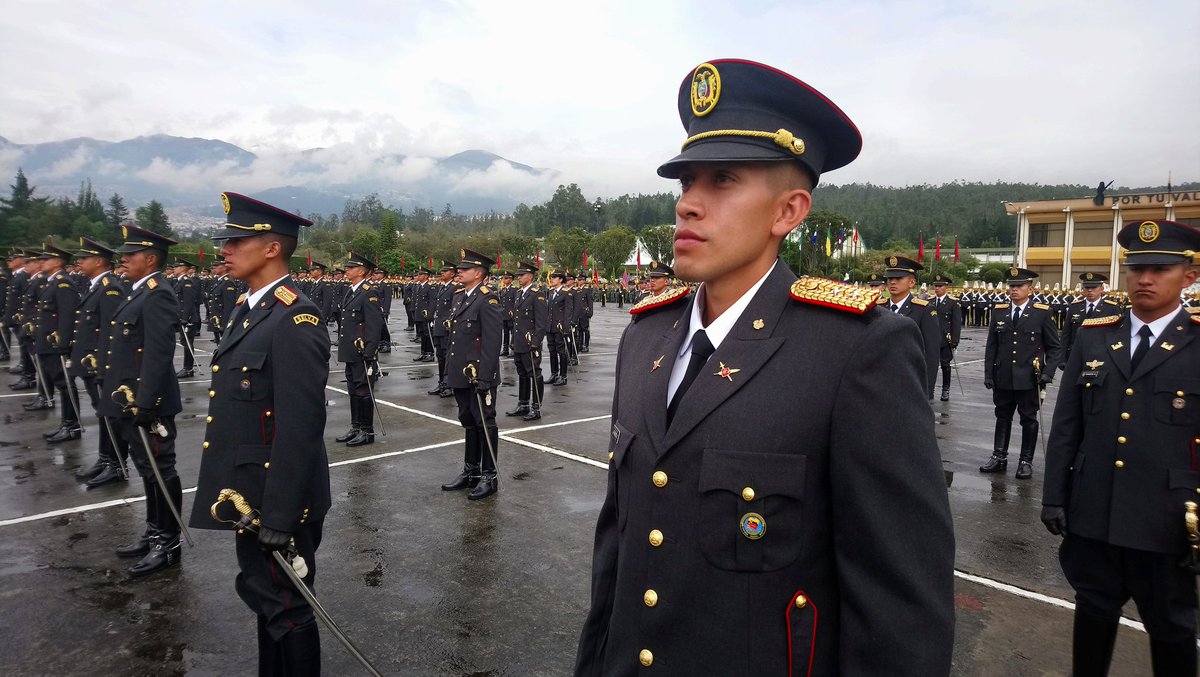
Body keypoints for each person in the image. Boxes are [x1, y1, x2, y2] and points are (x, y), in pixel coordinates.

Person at [574, 58, 954, 676]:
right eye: (686, 182)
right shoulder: (644, 338)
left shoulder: (856, 351)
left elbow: (899, 610)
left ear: (788, 212)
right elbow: (616, 553)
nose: (687, 205)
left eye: (722, 180)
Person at [1042, 219, 1200, 676]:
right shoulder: (1096, 334)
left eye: (1160, 270)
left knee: (1172, 629)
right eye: (1136, 269)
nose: (1145, 279)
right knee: (1093, 617)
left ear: (1188, 276)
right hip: (1096, 511)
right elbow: (1068, 424)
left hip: (1168, 521)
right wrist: (1054, 496)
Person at [190, 192, 332, 675]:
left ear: (272, 249)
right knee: (267, 599)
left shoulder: (294, 317)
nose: (224, 250)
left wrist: (282, 513)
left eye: (235, 242)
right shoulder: (250, 308)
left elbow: (301, 426)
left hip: (277, 497)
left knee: (288, 609)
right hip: (252, 491)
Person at [97, 224, 184, 577]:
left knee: (161, 470)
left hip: (149, 403)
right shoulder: (139, 293)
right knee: (148, 470)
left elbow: (158, 354)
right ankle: (154, 531)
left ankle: (168, 543)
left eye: (130, 255)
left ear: (150, 260)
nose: (123, 260)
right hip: (132, 400)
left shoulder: (158, 294)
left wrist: (147, 403)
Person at [979, 267, 1062, 479]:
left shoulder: (1042, 313)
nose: (1014, 290)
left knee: (1028, 419)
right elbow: (992, 346)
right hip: (1003, 376)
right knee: (1002, 416)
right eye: (1011, 286)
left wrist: (1048, 373)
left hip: (1030, 378)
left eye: (1019, 286)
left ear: (1030, 289)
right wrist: (989, 374)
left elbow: (1055, 347)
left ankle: (1026, 461)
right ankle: (999, 456)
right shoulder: (1000, 311)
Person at [440, 248, 503, 501]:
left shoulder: (487, 299)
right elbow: (456, 340)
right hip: (461, 372)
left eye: (464, 269)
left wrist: (485, 376)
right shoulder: (460, 297)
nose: (459, 272)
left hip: (479, 373)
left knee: (484, 422)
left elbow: (492, 342)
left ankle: (489, 476)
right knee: (467, 419)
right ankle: (471, 471)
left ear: (478, 273)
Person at [70, 238, 130, 487]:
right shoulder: (97, 287)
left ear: (98, 261)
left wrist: (104, 366)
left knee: (112, 416)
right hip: (93, 365)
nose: (78, 262)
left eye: (83, 258)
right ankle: (105, 459)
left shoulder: (110, 289)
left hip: (102, 366)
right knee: (104, 414)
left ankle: (116, 464)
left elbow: (111, 332)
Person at [333, 252, 384, 447]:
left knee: (363, 390)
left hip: (362, 351)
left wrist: (370, 352)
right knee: (353, 389)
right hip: (350, 350)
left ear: (362, 271)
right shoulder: (352, 290)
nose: (347, 270)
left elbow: (374, 325)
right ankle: (356, 427)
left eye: (351, 267)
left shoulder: (369, 292)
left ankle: (367, 430)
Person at [33, 244, 82, 441]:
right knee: (61, 384)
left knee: (65, 384)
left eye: (46, 259)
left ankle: (72, 426)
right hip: (48, 343)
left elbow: (68, 316)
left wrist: (63, 343)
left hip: (55, 344)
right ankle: (66, 423)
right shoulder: (52, 282)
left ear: (58, 262)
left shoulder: (63, 284)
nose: (41, 262)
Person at [882, 255, 941, 399]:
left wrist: (927, 389)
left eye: (899, 278)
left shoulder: (924, 311)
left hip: (909, 382)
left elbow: (931, 353)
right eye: (890, 278)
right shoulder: (878, 308)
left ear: (912, 282)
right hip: (880, 380)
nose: (893, 282)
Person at [505, 260, 548, 421]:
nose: (519, 277)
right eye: (518, 275)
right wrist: (513, 341)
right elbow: (517, 321)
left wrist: (536, 342)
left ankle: (536, 407)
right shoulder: (519, 293)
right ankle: (523, 404)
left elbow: (541, 322)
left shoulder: (537, 294)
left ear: (530, 276)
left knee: (534, 373)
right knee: (522, 373)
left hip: (530, 342)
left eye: (522, 275)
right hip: (519, 341)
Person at [1061, 272, 1121, 363]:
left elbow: (1117, 335)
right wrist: (1062, 358)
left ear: (1102, 289)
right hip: (1075, 355)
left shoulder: (1111, 308)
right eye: (1087, 287)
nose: (1089, 290)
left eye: (1093, 287)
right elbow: (1066, 334)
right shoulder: (1074, 307)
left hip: (1101, 356)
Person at [931, 273, 963, 401]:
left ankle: (945, 389)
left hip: (945, 339)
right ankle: (930, 388)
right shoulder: (929, 302)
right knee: (931, 366)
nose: (937, 288)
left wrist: (955, 341)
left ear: (946, 287)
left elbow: (956, 323)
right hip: (931, 339)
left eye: (940, 286)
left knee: (945, 365)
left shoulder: (952, 303)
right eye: (936, 286)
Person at [427, 263, 457, 397]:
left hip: (447, 327)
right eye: (442, 271)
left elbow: (454, 309)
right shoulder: (442, 287)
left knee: (447, 357)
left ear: (452, 274)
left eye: (445, 271)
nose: (442, 273)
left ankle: (449, 385)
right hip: (439, 326)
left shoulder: (455, 288)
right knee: (440, 356)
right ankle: (441, 383)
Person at [174, 259, 202, 378]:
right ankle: (187, 368)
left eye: (176, 267)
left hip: (188, 319)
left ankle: (188, 369)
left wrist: (185, 318)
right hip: (182, 317)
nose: (174, 269)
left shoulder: (187, 282)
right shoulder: (180, 281)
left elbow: (188, 301)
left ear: (182, 269)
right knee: (184, 342)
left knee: (188, 344)